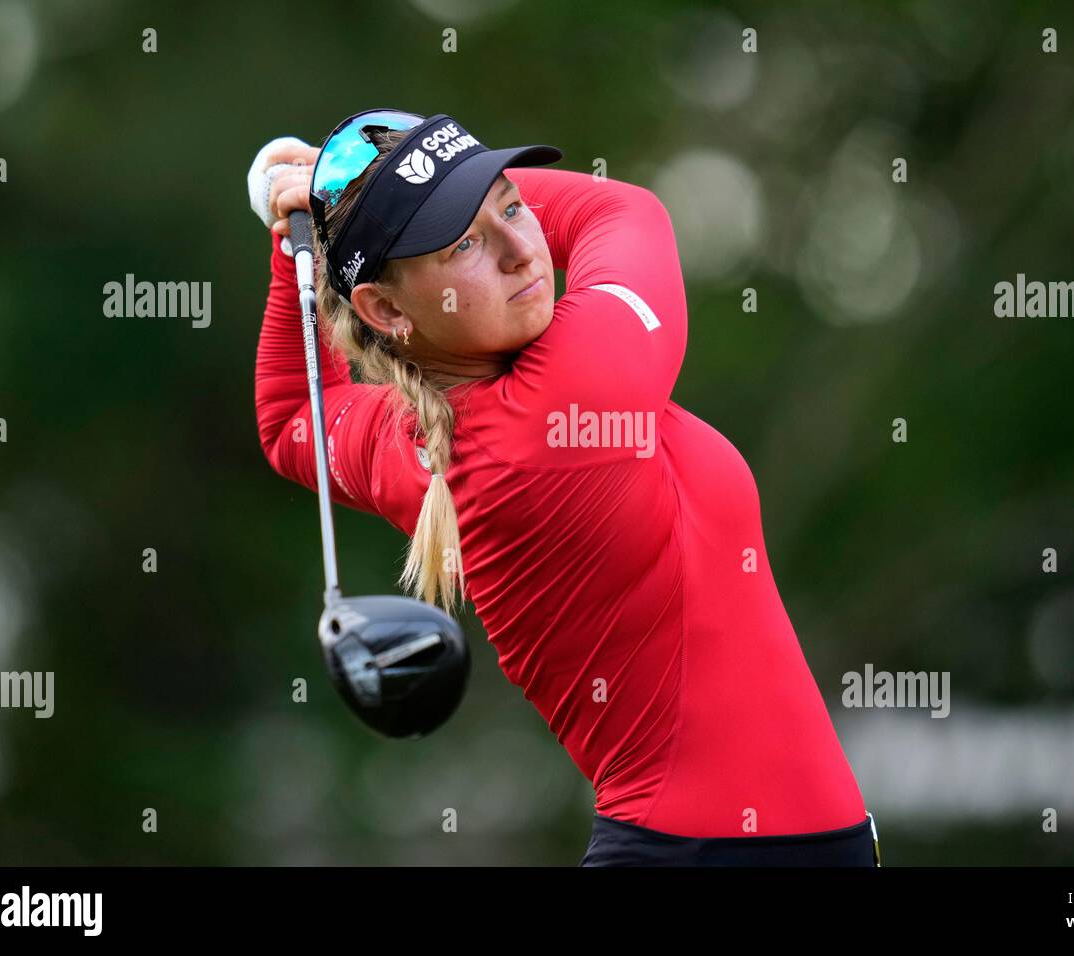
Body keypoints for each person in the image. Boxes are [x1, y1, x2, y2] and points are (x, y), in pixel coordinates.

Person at [253, 109, 881, 866]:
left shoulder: (419, 441)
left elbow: (294, 420)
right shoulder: (564, 403)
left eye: (512, 205)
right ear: (386, 311)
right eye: (466, 244)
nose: (523, 250)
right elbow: (622, 209)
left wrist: (311, 245)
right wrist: (341, 201)